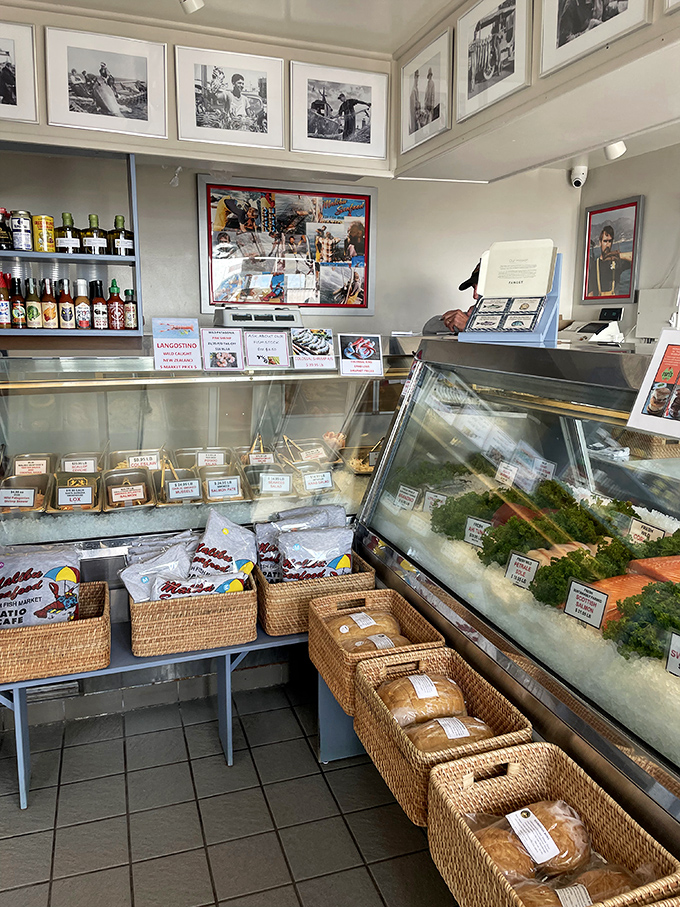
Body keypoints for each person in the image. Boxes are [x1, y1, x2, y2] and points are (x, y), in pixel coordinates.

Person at [586, 225, 632, 297]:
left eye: (610, 241)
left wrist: (618, 255)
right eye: (605, 241)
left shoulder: (617, 262)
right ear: (600, 242)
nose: (607, 245)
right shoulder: (594, 265)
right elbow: (590, 293)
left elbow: (635, 258)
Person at [440, 261, 481, 333]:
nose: (475, 296)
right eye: (474, 287)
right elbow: (430, 326)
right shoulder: (471, 315)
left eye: (482, 288)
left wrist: (469, 327)